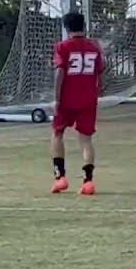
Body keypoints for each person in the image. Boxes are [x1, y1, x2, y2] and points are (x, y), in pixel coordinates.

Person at [51, 12, 105, 195]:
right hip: (89, 98)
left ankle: (60, 177)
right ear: (84, 26)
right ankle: (88, 181)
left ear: (67, 28)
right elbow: (101, 71)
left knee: (58, 134)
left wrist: (57, 98)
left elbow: (60, 72)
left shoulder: (62, 47)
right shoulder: (94, 47)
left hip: (67, 98)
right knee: (86, 140)